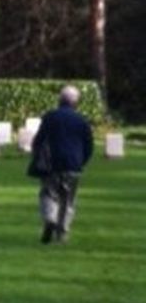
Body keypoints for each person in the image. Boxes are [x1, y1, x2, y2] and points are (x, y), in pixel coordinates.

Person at [30, 85, 94, 243]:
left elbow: (39, 140)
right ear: (76, 102)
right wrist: (81, 162)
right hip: (73, 166)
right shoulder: (82, 121)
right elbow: (89, 146)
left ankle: (50, 218)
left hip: (52, 164)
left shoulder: (50, 117)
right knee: (68, 200)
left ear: (60, 100)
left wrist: (37, 157)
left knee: (48, 194)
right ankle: (62, 233)